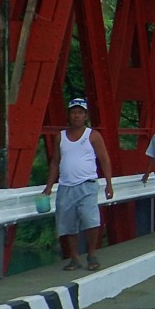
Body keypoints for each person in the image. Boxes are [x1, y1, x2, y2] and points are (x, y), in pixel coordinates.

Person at [42, 98, 115, 270]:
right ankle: (74, 258)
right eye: (73, 112)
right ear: (69, 115)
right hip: (66, 186)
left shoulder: (93, 135)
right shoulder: (60, 137)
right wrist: (49, 186)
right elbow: (55, 162)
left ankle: (91, 254)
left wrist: (109, 184)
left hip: (87, 184)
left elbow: (104, 160)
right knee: (68, 223)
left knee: (90, 220)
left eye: (80, 112)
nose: (76, 116)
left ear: (85, 115)